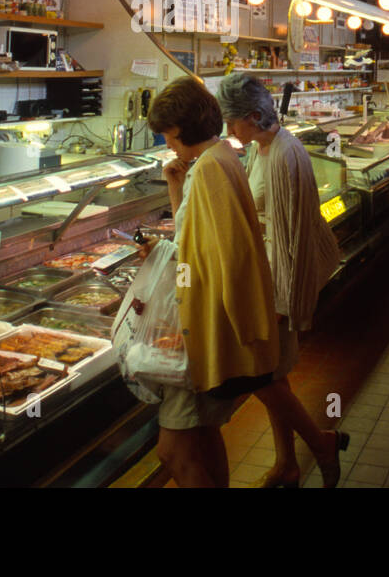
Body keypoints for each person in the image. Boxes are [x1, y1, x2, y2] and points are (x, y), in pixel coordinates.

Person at [145, 77, 280, 488]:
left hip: (204, 327)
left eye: (168, 134)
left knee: (174, 451)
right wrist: (175, 186)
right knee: (204, 437)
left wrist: (196, 324)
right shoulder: (219, 158)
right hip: (207, 324)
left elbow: (225, 258)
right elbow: (197, 238)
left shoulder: (209, 171)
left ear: (182, 129)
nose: (168, 143)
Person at [217, 73, 350, 489]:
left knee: (261, 377)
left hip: (279, 285)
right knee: (274, 376)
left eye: (232, 121)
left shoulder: (284, 157)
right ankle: (286, 464)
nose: (228, 131)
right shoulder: (262, 147)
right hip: (268, 278)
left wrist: (282, 306)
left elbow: (292, 239)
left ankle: (320, 443)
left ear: (254, 116)